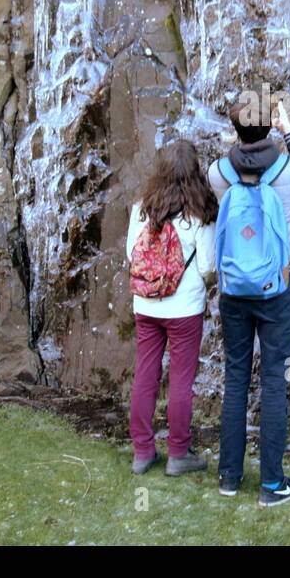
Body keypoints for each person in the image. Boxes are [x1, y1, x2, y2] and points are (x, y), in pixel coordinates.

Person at [208, 96, 290, 506]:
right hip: (279, 286)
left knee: (236, 377)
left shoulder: (217, 173)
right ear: (269, 127)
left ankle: (229, 476)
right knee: (275, 380)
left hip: (234, 290)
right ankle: (272, 484)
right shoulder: (288, 169)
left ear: (235, 129)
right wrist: (287, 127)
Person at [125, 140, 217, 476]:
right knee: (180, 379)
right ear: (194, 173)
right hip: (184, 308)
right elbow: (208, 265)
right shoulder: (200, 213)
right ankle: (179, 453)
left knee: (146, 375)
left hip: (146, 305)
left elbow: (130, 255)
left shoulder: (142, 207)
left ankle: (142, 451)